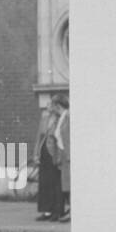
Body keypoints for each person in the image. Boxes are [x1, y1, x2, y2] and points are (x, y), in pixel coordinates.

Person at [48, 93, 70, 222]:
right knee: (66, 185)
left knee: (69, 185)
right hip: (63, 156)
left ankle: (72, 212)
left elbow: (68, 138)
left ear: (58, 105)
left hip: (67, 156)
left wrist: (69, 156)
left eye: (54, 104)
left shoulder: (67, 117)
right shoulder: (61, 117)